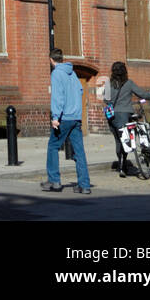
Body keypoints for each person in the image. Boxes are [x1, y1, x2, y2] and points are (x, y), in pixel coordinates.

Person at [42, 48, 91, 194]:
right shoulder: (72, 73)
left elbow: (58, 96)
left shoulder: (56, 73)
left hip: (64, 118)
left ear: (51, 60)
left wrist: (55, 117)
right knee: (79, 151)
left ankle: (54, 181)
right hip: (76, 117)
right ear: (61, 58)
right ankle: (84, 185)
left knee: (53, 146)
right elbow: (80, 91)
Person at [103, 61, 150, 177]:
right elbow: (141, 94)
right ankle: (123, 166)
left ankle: (121, 165)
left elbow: (106, 100)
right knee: (125, 140)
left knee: (118, 140)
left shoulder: (108, 84)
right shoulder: (129, 83)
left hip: (112, 116)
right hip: (125, 115)